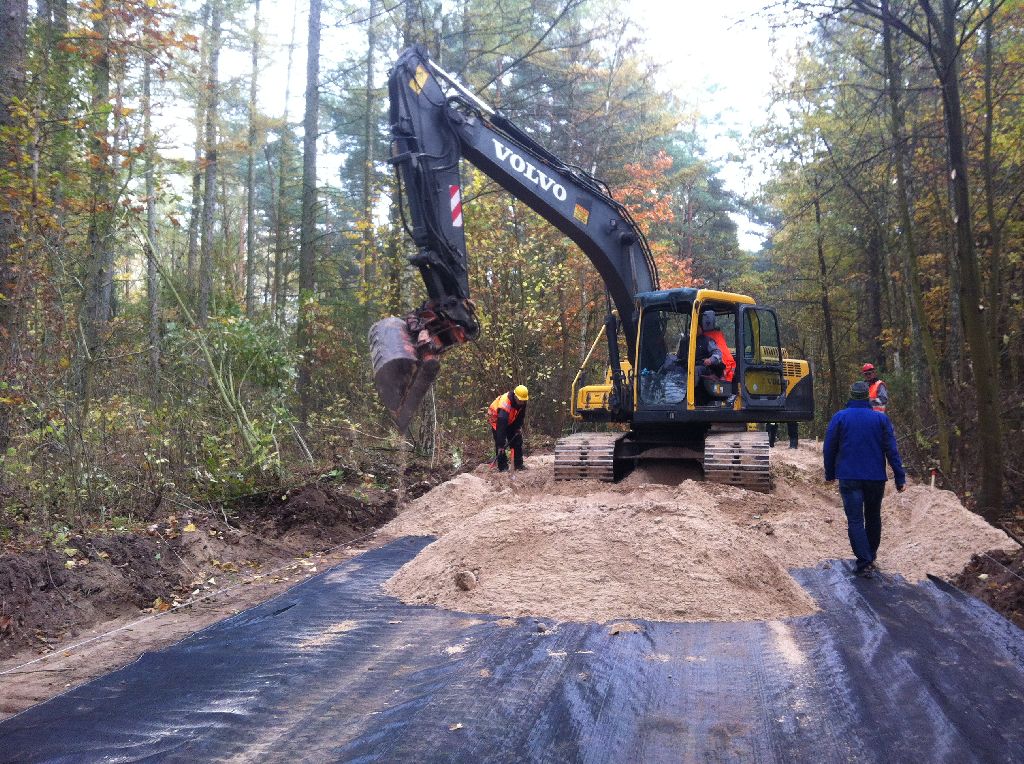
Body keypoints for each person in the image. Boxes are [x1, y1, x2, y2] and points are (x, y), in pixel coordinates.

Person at [824, 380, 907, 578]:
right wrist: (899, 477)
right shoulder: (880, 419)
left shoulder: (840, 418)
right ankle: (871, 554)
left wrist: (829, 473)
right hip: (875, 477)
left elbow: (829, 448)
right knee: (873, 516)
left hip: (849, 476)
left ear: (851, 396)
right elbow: (892, 450)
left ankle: (864, 560)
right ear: (867, 398)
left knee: (855, 519)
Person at [487, 385, 529, 471]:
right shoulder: (505, 405)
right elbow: (501, 428)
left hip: (510, 419)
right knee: (500, 446)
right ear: (515, 396)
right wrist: (501, 444)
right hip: (497, 420)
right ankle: (503, 467)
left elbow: (521, 416)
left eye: (523, 401)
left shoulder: (522, 402)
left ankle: (518, 465)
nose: (522, 403)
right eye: (520, 401)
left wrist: (517, 427)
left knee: (517, 440)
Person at [699, 310, 736, 382]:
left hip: (726, 367)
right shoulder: (717, 334)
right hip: (726, 366)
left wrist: (723, 377)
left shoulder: (707, 337)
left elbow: (718, 356)